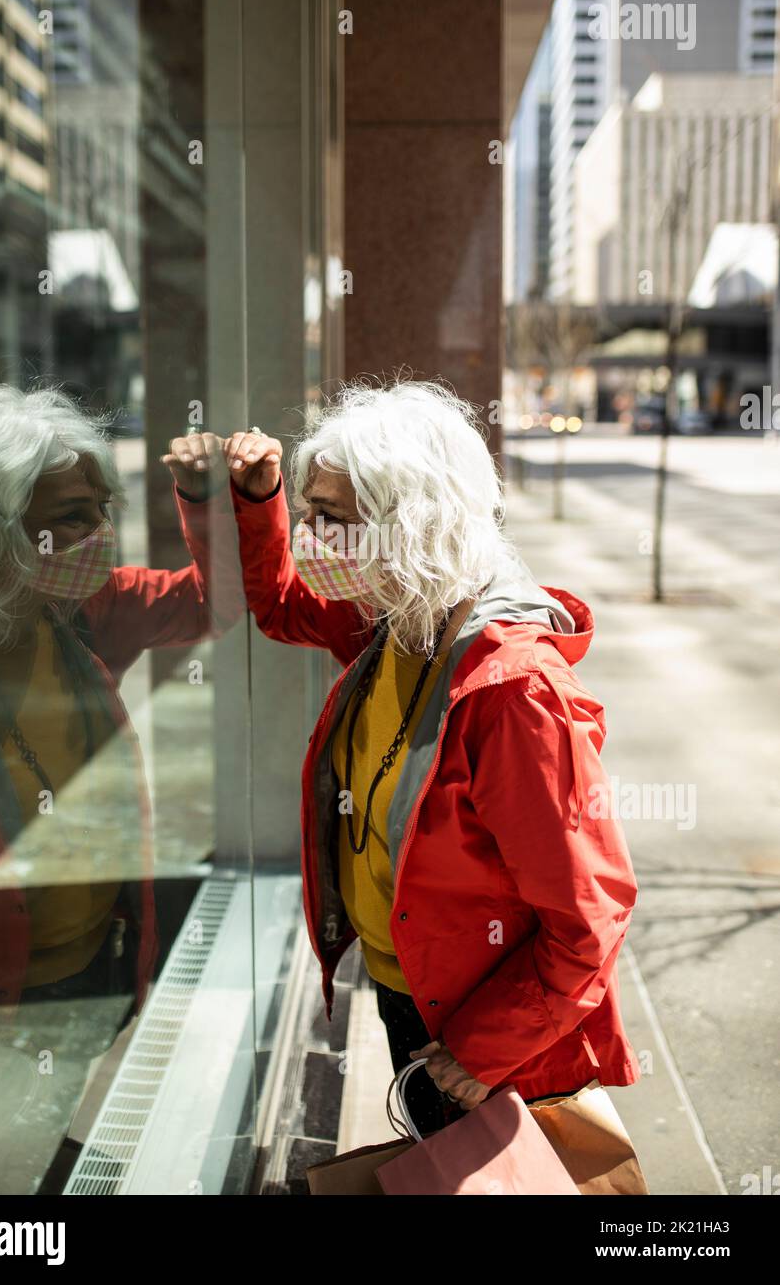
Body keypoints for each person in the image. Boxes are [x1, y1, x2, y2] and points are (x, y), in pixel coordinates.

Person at [220, 378, 641, 1137]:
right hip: (409, 991)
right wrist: (262, 501)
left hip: (477, 1033)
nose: (311, 536)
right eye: (309, 515)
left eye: (330, 519)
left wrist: (483, 1051)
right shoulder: (400, 621)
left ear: (410, 527)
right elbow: (282, 606)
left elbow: (589, 917)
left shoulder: (512, 694)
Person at [0, 384, 243, 1192]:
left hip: (97, 975)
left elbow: (220, 601)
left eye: (101, 509)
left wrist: (209, 501)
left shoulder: (80, 610)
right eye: (70, 516)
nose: (99, 534)